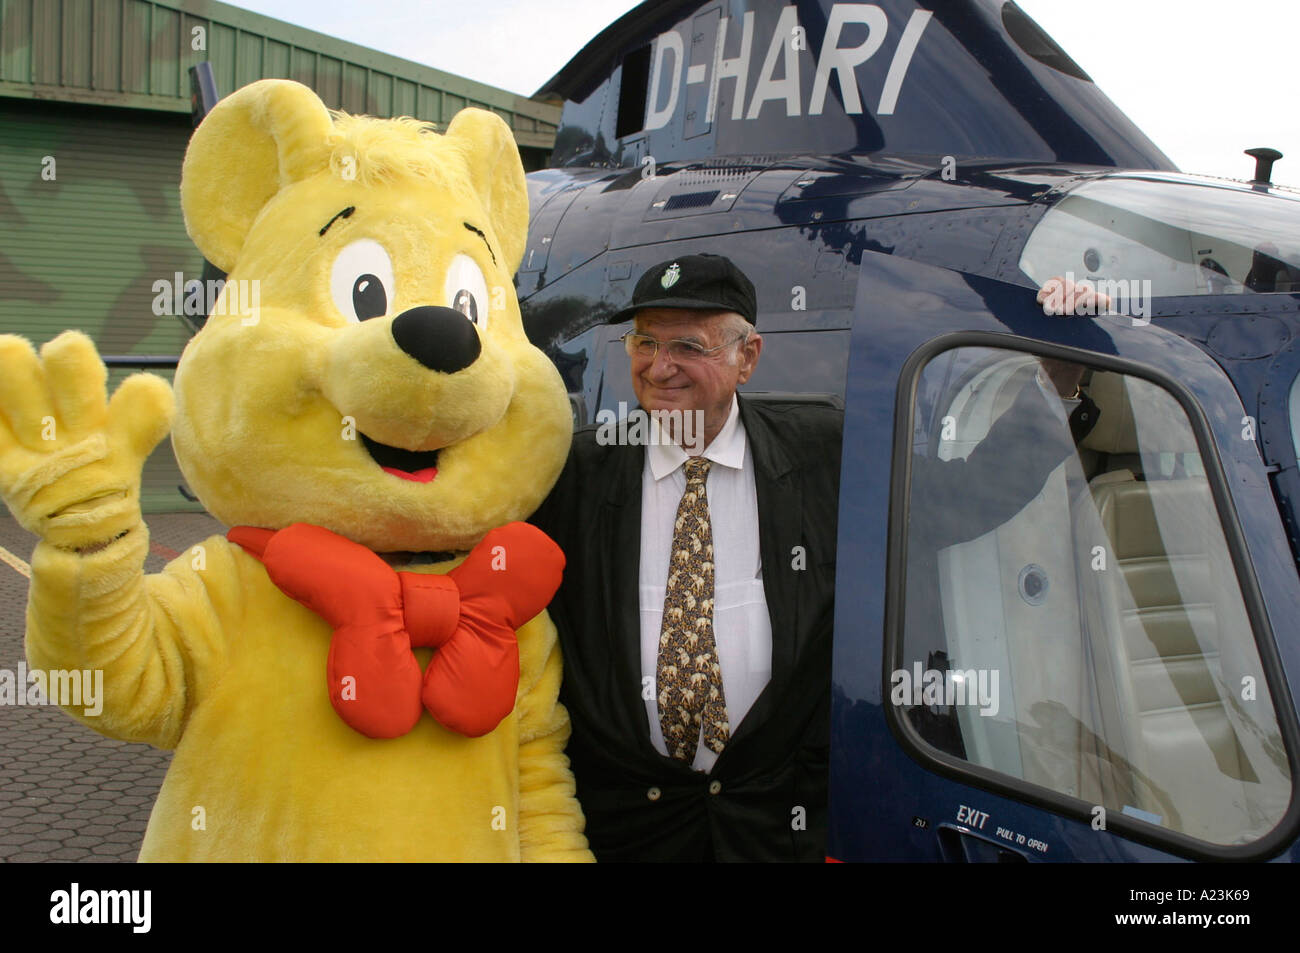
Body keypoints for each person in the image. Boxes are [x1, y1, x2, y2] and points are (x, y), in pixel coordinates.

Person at [530, 253, 840, 862]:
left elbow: (945, 506)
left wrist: (1053, 370)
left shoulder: (823, 453)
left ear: (746, 357)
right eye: (645, 341)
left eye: (688, 346)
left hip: (775, 832)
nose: (660, 366)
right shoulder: (574, 475)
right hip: (629, 833)